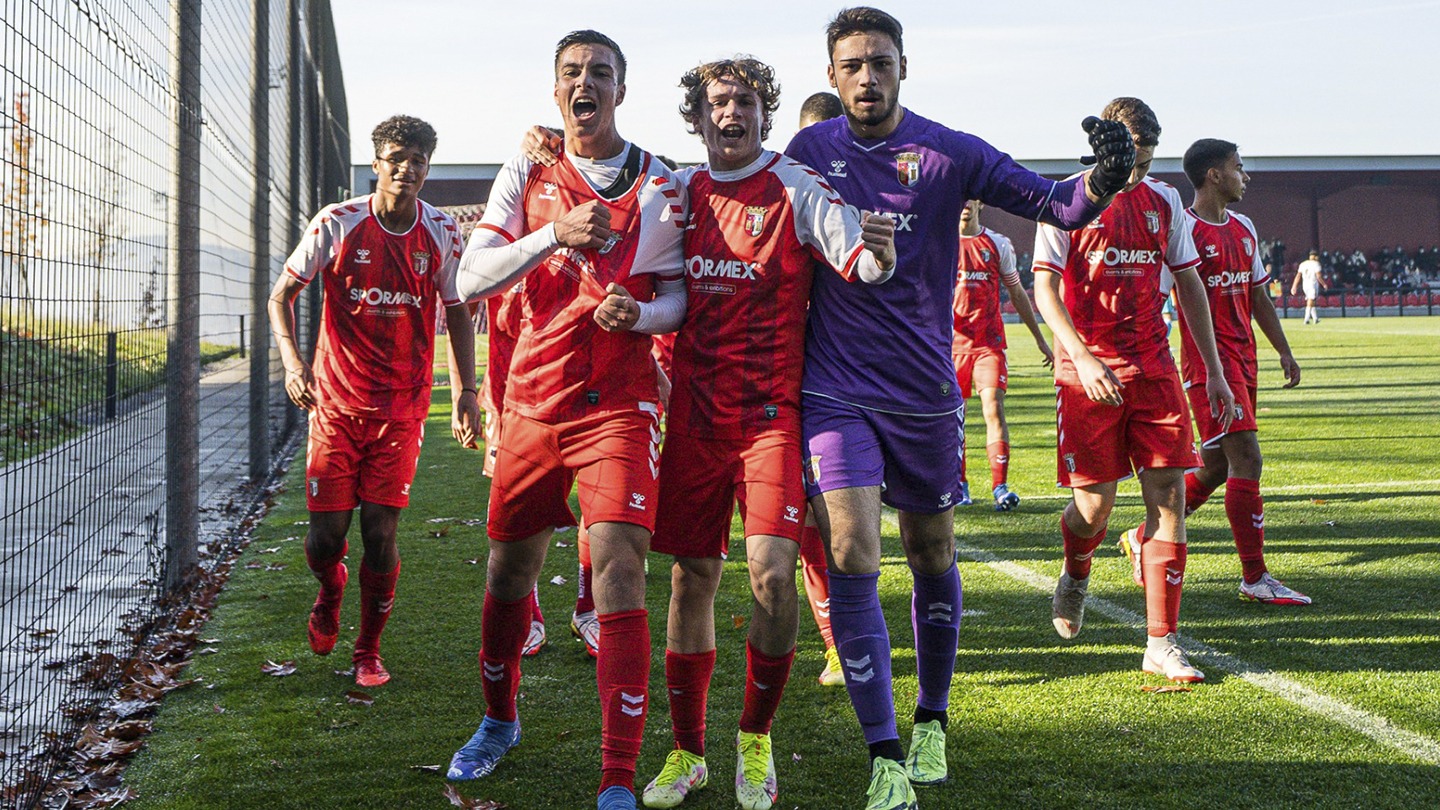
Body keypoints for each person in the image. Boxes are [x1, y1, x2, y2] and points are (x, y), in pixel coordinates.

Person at [783, 8, 1134, 807]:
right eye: (851, 65)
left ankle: (932, 718)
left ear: (904, 67)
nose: (867, 77)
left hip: (923, 394)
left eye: (880, 62)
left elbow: (1059, 204)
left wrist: (1107, 178)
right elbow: (726, 185)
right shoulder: (807, 153)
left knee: (931, 548)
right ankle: (883, 756)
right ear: (832, 75)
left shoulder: (951, 152)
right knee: (852, 551)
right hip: (835, 390)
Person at [627, 57, 895, 810]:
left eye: (744, 101)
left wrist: (879, 252)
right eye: (717, 103)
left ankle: (754, 737)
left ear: (763, 114)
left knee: (774, 576)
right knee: (691, 577)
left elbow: (860, 260)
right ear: (698, 117)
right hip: (694, 416)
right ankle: (687, 753)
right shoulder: (677, 191)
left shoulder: (794, 187)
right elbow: (625, 222)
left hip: (771, 418)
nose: (731, 113)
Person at [443, 30, 687, 810]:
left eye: (601, 73)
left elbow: (678, 296)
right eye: (573, 73)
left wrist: (641, 315)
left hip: (618, 405)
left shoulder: (660, 183)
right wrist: (554, 233)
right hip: (534, 401)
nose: (586, 83)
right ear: (556, 91)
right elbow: (469, 278)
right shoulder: (529, 169)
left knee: (619, 568)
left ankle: (617, 775)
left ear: (621, 90)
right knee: (509, 572)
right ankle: (498, 720)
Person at [1031, 97, 1236, 686]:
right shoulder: (1064, 201)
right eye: (1130, 162)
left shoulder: (1164, 201)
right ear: (1106, 150)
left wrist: (1214, 370)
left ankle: (1161, 643)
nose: (1137, 174)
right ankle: (1076, 572)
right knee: (1094, 509)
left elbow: (1190, 285)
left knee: (1168, 499)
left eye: (1146, 163)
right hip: (1087, 375)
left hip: (1154, 369)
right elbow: (1045, 290)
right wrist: (1081, 356)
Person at [267, 115, 476, 689]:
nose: (407, 169)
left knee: (381, 533)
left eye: (418, 161)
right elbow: (281, 296)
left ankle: (368, 650)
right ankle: (330, 587)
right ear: (377, 163)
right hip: (335, 406)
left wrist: (466, 391)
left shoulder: (441, 231)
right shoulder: (337, 222)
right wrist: (293, 364)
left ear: (428, 168)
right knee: (326, 540)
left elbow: (457, 311)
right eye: (396, 158)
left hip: (402, 410)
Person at [1118, 139, 1309, 605]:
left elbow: (1258, 295)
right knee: (1248, 458)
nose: (1246, 177)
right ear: (1214, 175)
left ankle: (1142, 535)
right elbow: (1157, 294)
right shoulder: (1181, 227)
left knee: (1219, 464)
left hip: (1245, 362)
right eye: (1239, 168)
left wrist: (1284, 351)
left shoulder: (1244, 227)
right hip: (1209, 367)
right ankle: (1255, 577)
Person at [951, 199, 1053, 511]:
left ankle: (1000, 487)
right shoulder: (941, 241)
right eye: (961, 197)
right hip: (950, 348)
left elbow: (1017, 292)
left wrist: (1040, 339)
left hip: (989, 345)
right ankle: (959, 485)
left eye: (970, 198)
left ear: (980, 203)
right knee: (954, 418)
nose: (965, 204)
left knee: (993, 408)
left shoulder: (997, 244)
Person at [795, 89, 847, 688]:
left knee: (844, 524)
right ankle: (837, 643)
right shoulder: (782, 188)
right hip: (789, 381)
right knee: (812, 522)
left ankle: (848, 634)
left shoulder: (868, 199)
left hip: (855, 379)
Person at [1291, 250, 1327, 323]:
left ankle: (1315, 318)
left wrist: (1294, 286)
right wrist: (1324, 284)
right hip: (1312, 284)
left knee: (1312, 300)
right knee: (1310, 300)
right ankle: (1306, 319)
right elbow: (1318, 276)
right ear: (1315, 256)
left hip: (1305, 284)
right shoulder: (1316, 264)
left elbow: (1298, 276)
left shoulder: (1303, 264)